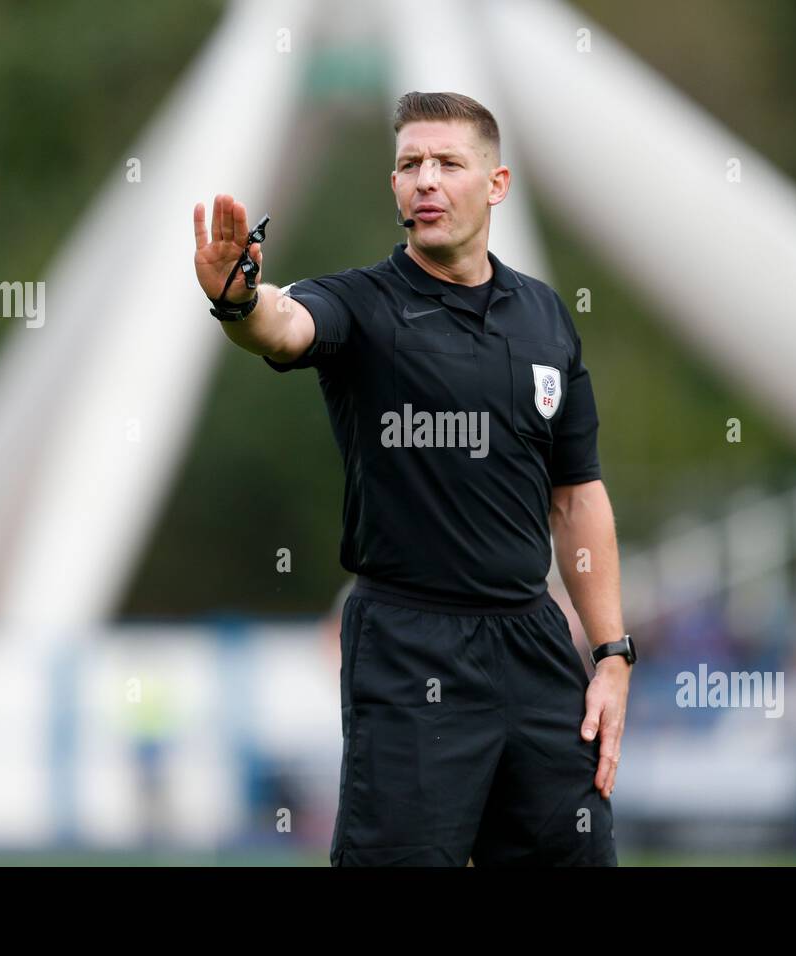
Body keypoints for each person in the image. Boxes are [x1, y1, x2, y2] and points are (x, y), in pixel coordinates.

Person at [191, 91, 633, 866]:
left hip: (534, 645)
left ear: (495, 184)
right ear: (394, 186)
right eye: (409, 165)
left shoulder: (544, 317)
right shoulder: (362, 306)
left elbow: (577, 495)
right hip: (409, 645)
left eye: (447, 163)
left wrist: (610, 655)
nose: (425, 179)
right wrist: (237, 300)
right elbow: (285, 325)